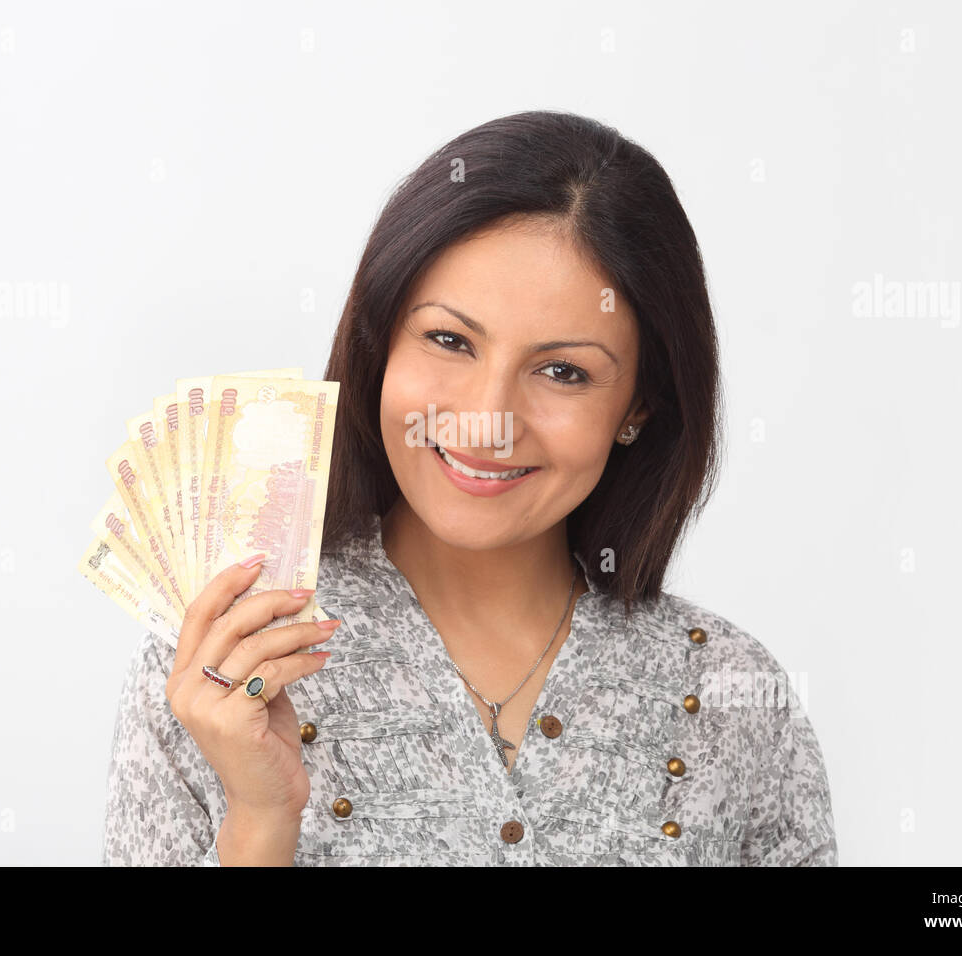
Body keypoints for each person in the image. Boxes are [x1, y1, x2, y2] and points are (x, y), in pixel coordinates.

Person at [102, 109, 838, 866]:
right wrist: (261, 822)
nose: (489, 420)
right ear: (380, 340)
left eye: (563, 372)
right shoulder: (216, 664)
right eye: (450, 340)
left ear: (639, 408)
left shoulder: (731, 697)